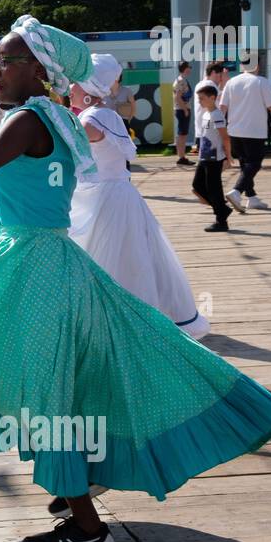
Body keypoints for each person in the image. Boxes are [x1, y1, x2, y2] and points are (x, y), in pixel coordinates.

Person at [0, 14, 271, 542]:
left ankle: (90, 530)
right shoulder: (57, 116)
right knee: (62, 386)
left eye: (6, 60)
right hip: (53, 262)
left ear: (39, 69)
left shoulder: (27, 121)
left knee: (45, 396)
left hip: (36, 270)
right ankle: (81, 490)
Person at [68, 55, 210, 337]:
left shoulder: (96, 116)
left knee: (119, 262)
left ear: (90, 88)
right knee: (128, 260)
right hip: (108, 196)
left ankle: (122, 325)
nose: (70, 88)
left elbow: (80, 138)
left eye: (76, 83)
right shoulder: (100, 112)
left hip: (107, 201)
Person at [219, 55, 271, 213]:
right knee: (254, 163)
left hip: (234, 130)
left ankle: (251, 197)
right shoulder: (260, 82)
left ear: (242, 66)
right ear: (257, 66)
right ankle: (236, 191)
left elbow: (222, 107)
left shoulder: (231, 82)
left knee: (245, 164)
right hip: (254, 131)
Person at [193, 84, 234, 232]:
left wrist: (228, 157)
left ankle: (221, 221)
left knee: (214, 189)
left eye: (202, 98)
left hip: (214, 158)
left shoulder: (217, 115)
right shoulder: (205, 114)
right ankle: (222, 209)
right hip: (204, 157)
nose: (200, 101)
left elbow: (225, 138)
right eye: (199, 98)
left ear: (212, 98)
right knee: (197, 186)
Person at [173, 61, 194, 165]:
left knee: (181, 133)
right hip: (182, 110)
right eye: (189, 67)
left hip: (180, 109)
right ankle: (181, 157)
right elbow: (177, 97)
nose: (190, 69)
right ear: (185, 68)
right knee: (182, 134)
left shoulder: (180, 79)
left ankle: (181, 156)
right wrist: (185, 109)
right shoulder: (181, 81)